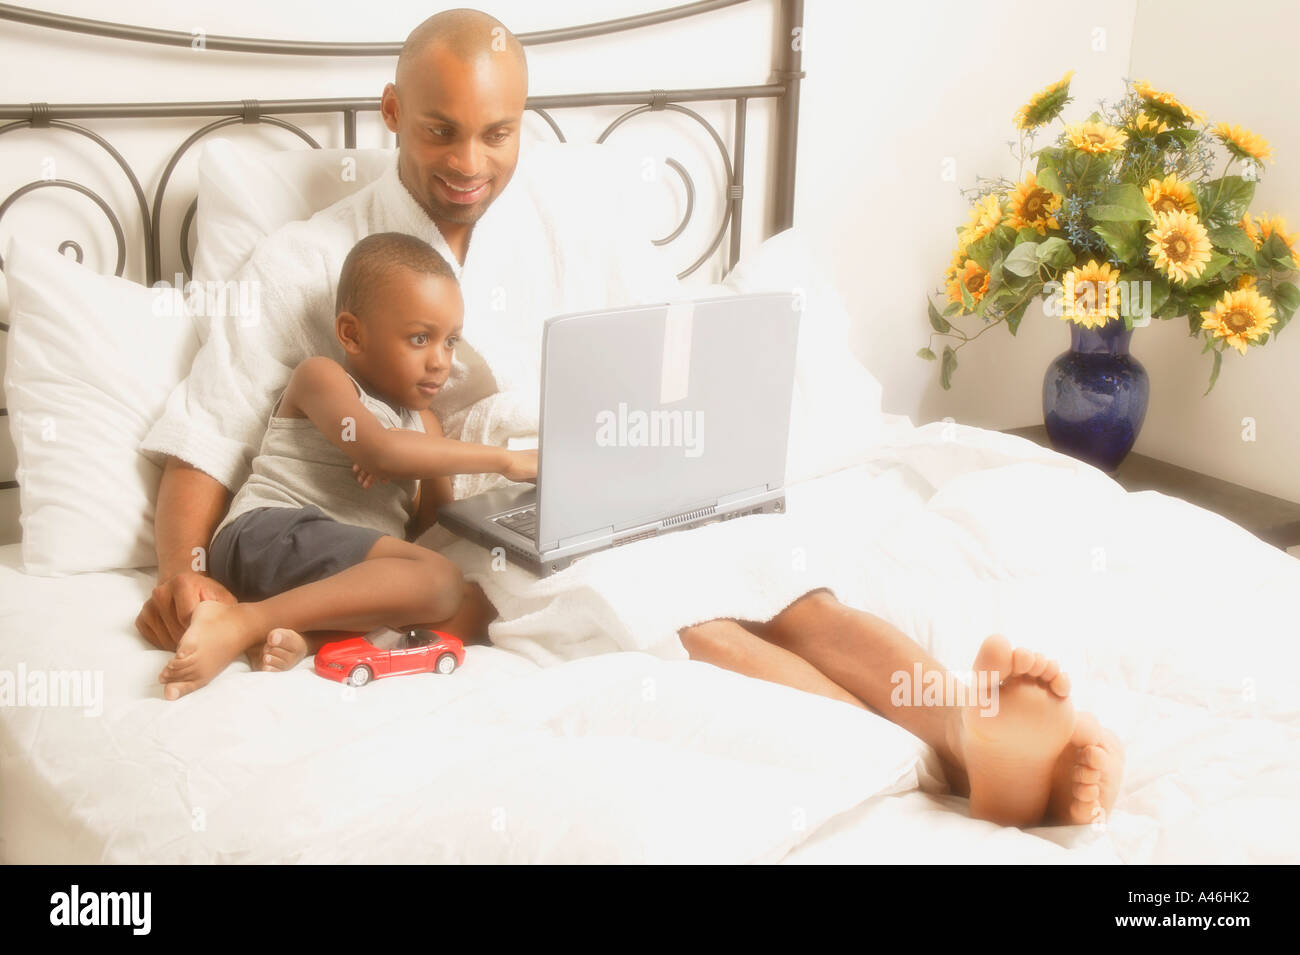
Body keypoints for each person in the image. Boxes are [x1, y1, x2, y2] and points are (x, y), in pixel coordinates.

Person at [137, 8, 1121, 828]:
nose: (469, 161)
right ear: (393, 113)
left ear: (525, 121)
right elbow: (207, 439)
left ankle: (958, 721)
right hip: (487, 517)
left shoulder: (574, 219)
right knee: (687, 613)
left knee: (780, 578)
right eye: (440, 131)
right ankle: (930, 754)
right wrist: (183, 574)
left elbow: (672, 348)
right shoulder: (306, 262)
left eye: (498, 132)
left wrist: (674, 444)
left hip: (619, 462)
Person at [157, 232, 536, 699]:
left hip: (331, 572)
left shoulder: (424, 426)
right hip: (265, 535)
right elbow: (377, 448)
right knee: (439, 581)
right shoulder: (322, 377)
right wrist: (506, 460)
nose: (440, 362)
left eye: (450, 342)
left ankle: (300, 637)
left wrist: (416, 462)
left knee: (474, 607)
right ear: (351, 334)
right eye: (420, 339)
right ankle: (241, 621)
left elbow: (425, 527)